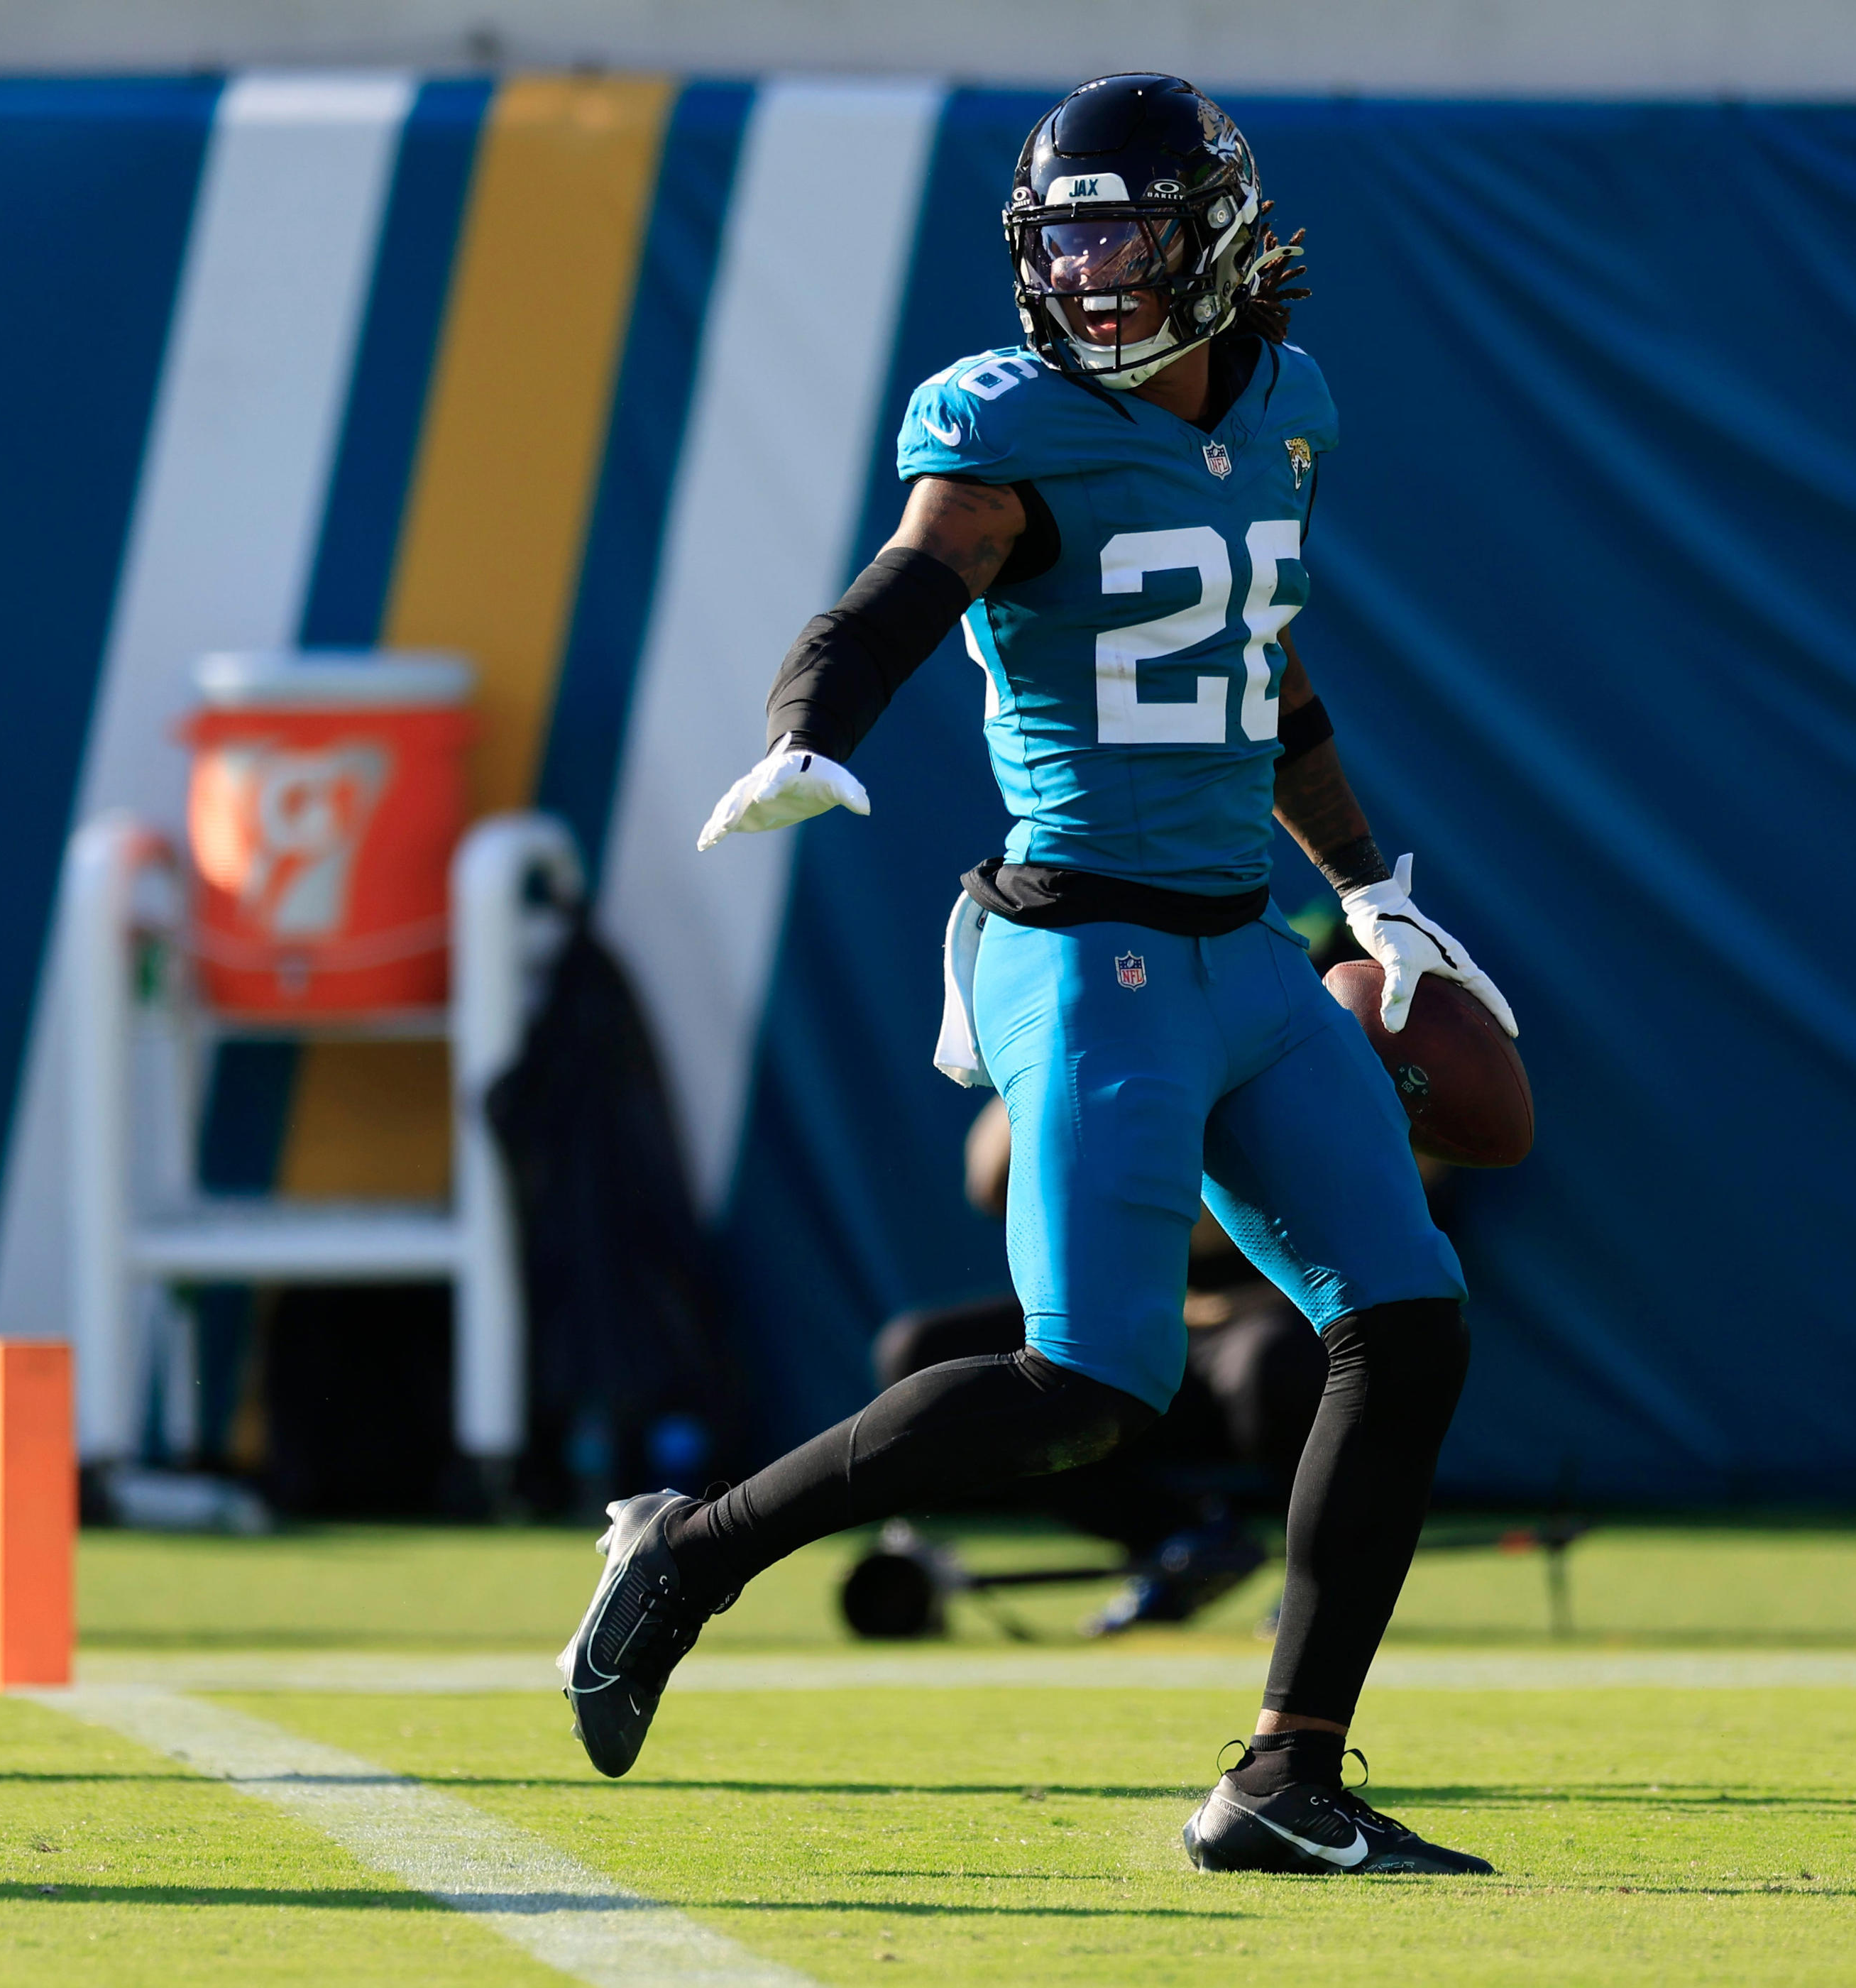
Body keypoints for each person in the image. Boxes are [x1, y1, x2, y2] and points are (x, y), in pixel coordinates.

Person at [560, 73, 1520, 1877]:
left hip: (1243, 947)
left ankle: (1284, 1774)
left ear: (1216, 241)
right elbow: (907, 584)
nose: (1087, 273)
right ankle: (689, 1551)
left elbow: (1266, 678)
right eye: (1062, 239)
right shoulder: (1007, 421)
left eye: (1123, 233)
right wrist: (811, 723)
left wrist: (1362, 887)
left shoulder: (1288, 406)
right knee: (1086, 1389)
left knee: (1407, 1323)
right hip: (1085, 950)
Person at [871, 1095, 1324, 1635]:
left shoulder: (1296, 1050)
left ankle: (1323, 1570)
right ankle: (1176, 1535)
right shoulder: (1101, 1056)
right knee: (927, 1354)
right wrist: (1034, 1073)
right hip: (1138, 1309)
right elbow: (990, 1184)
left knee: (1273, 1363)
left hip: (1282, 1301)